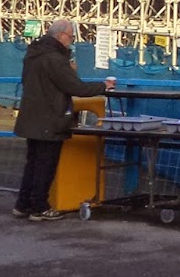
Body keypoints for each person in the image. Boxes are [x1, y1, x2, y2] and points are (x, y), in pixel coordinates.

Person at [12, 18, 117, 221]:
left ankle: (23, 204)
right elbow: (75, 87)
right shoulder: (55, 59)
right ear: (61, 36)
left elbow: (30, 81)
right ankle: (39, 207)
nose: (72, 40)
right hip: (50, 118)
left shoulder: (33, 54)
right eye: (71, 36)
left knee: (33, 163)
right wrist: (103, 86)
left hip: (32, 116)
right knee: (45, 164)